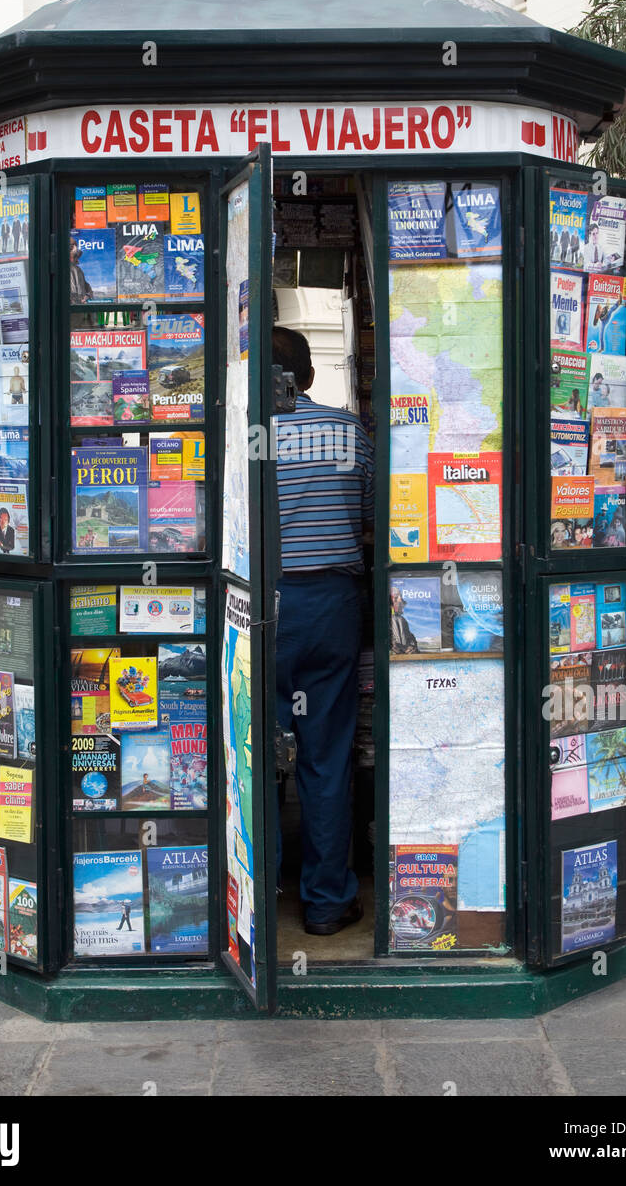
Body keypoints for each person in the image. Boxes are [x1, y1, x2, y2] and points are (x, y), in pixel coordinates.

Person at [272, 326, 374, 937]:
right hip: (332, 607)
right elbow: (370, 516)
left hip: (259, 605)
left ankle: (248, 898)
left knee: (250, 751)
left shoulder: (239, 436)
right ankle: (326, 902)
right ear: (309, 376)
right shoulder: (347, 432)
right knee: (325, 755)